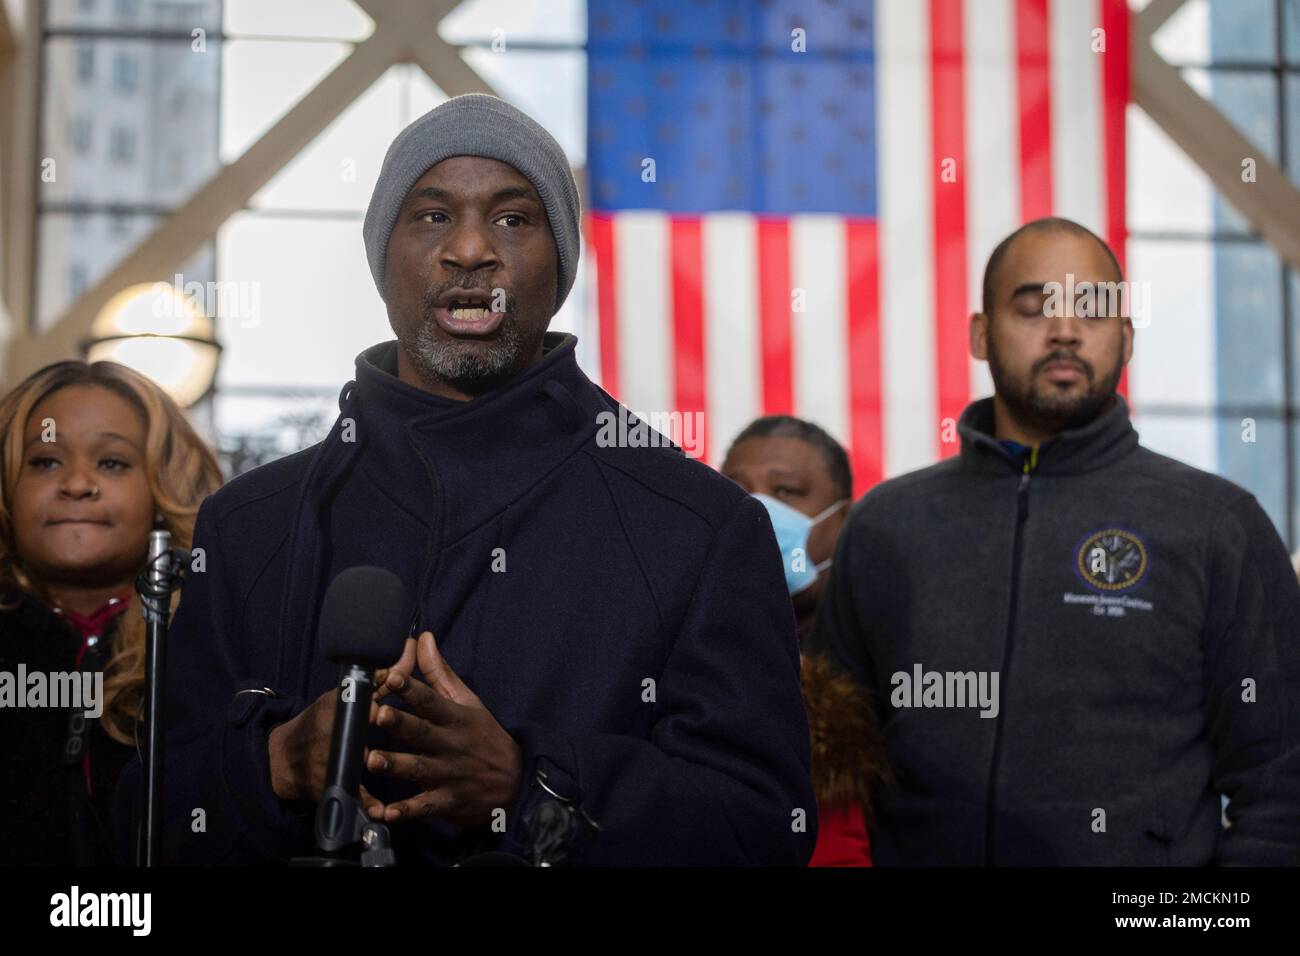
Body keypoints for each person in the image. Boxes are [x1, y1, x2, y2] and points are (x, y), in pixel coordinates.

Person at [139, 93, 816, 866]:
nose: (469, 250)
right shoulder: (249, 523)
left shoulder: (698, 527)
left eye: (512, 219)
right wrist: (275, 765)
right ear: (381, 256)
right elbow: (146, 817)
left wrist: (530, 786)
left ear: (559, 260)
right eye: (431, 216)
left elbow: (763, 830)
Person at [809, 216, 1300, 866]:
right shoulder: (886, 526)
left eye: (1091, 309)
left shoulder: (1218, 526)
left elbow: (1282, 783)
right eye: (1035, 307)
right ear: (981, 335)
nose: (1065, 329)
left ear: (1126, 336)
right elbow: (828, 766)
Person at [0, 360, 222, 865]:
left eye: (113, 463)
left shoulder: (208, 647)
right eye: (45, 462)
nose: (77, 484)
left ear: (162, 490)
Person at [721, 416, 890, 866]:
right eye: (735, 489)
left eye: (787, 492)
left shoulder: (894, 664)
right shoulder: (685, 662)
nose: (755, 509)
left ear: (845, 520)